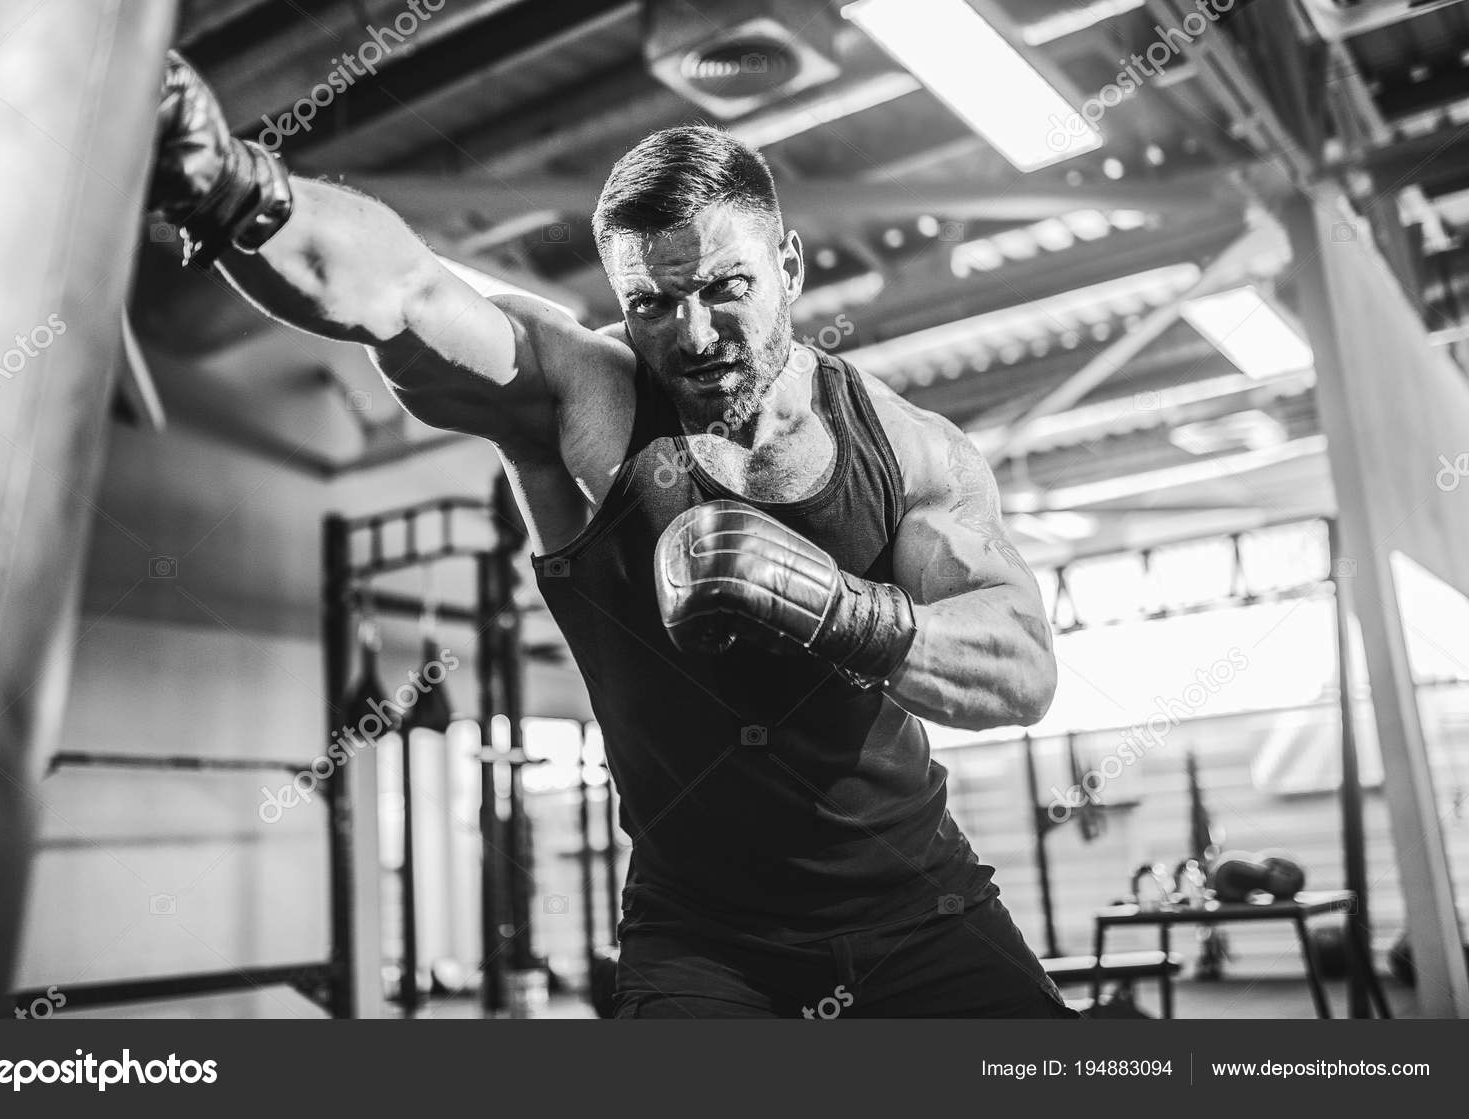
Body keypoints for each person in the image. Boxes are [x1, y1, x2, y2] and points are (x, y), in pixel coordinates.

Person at [149, 52, 1073, 1019]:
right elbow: (409, 296)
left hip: (920, 902)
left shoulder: (909, 448)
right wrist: (231, 189)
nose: (696, 333)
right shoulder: (586, 401)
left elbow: (1020, 668)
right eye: (653, 303)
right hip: (708, 937)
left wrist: (833, 607)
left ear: (790, 267)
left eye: (726, 288)